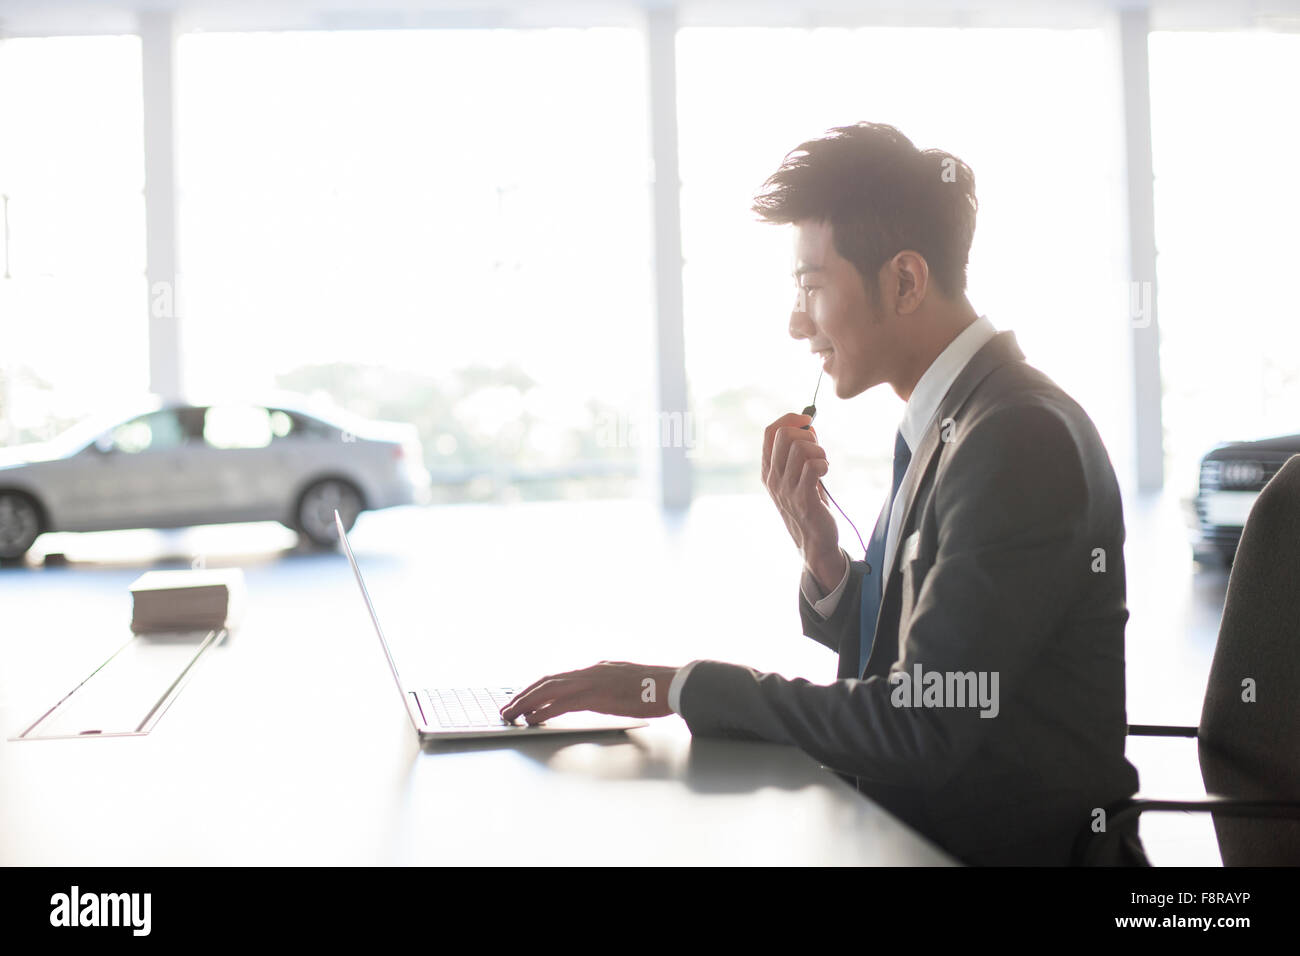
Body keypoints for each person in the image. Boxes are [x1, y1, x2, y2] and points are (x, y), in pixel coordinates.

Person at [501, 121, 1145, 866]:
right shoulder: (958, 418)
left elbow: (922, 716)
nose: (796, 322)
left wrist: (669, 688)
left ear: (905, 280)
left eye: (811, 286)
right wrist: (826, 559)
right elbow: (939, 650)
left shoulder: (1016, 438)